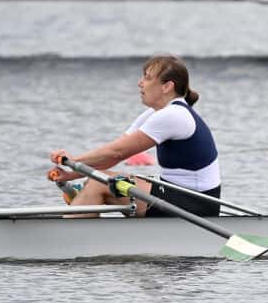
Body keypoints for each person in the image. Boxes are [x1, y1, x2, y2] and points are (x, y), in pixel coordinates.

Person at [47, 54, 221, 218]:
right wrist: (72, 173)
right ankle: (80, 227)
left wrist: (74, 161)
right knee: (99, 179)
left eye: (147, 77)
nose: (140, 83)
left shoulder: (174, 115)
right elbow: (113, 155)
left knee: (99, 183)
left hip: (198, 203)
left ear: (167, 86)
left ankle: (68, 239)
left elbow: (117, 152)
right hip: (175, 193)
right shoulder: (155, 113)